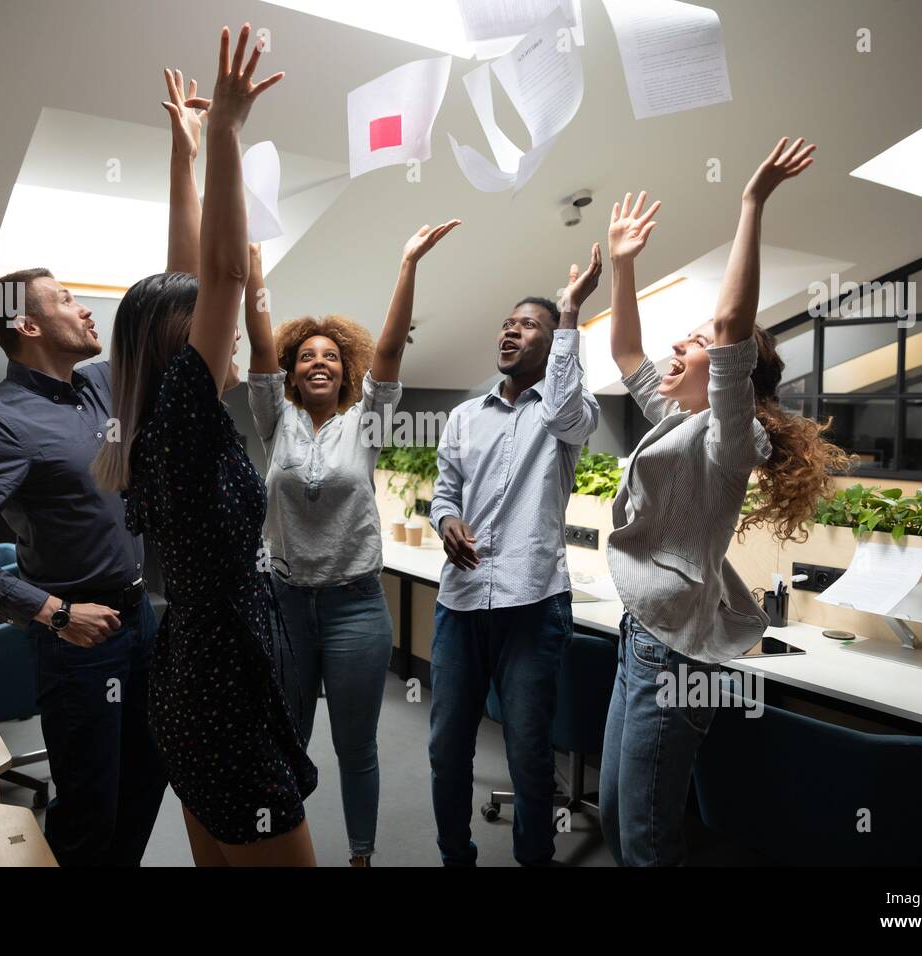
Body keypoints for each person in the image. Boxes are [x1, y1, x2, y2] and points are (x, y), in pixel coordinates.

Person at [92, 26, 318, 866]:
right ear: (177, 350)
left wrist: (183, 154)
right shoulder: (180, 421)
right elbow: (219, 275)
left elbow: (188, 277)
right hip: (219, 684)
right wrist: (226, 132)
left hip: (197, 676)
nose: (229, 338)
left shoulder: (162, 420)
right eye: (204, 334)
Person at [600, 138, 850, 866]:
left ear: (733, 380)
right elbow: (622, 354)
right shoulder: (680, 420)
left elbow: (735, 328)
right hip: (641, 637)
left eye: (700, 340)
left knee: (647, 841)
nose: (684, 341)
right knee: (620, 822)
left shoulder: (726, 438)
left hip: (673, 654)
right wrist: (622, 265)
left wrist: (752, 203)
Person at [0, 273, 165, 862]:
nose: (85, 310)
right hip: (79, 640)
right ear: (27, 325)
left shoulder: (100, 384)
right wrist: (51, 613)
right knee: (88, 809)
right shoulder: (2, 425)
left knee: (145, 782)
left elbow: (166, 327)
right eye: (68, 300)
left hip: (141, 622)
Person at [244, 218, 460, 866]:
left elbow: (391, 351)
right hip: (284, 606)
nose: (317, 361)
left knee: (355, 746)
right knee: (287, 741)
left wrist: (408, 262)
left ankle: (361, 855)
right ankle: (288, 850)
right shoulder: (273, 420)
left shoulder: (364, 424)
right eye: (306, 354)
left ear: (347, 372)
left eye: (330, 356)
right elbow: (257, 344)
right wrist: (254, 274)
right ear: (291, 370)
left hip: (355, 610)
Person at [426, 245, 603, 866]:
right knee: (447, 746)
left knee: (529, 750)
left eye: (526, 324)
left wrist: (573, 313)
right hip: (463, 601)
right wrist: (447, 521)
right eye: (507, 322)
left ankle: (535, 859)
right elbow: (443, 493)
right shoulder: (464, 417)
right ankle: (456, 857)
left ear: (552, 344)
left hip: (534, 603)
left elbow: (564, 409)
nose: (509, 329)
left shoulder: (568, 417)